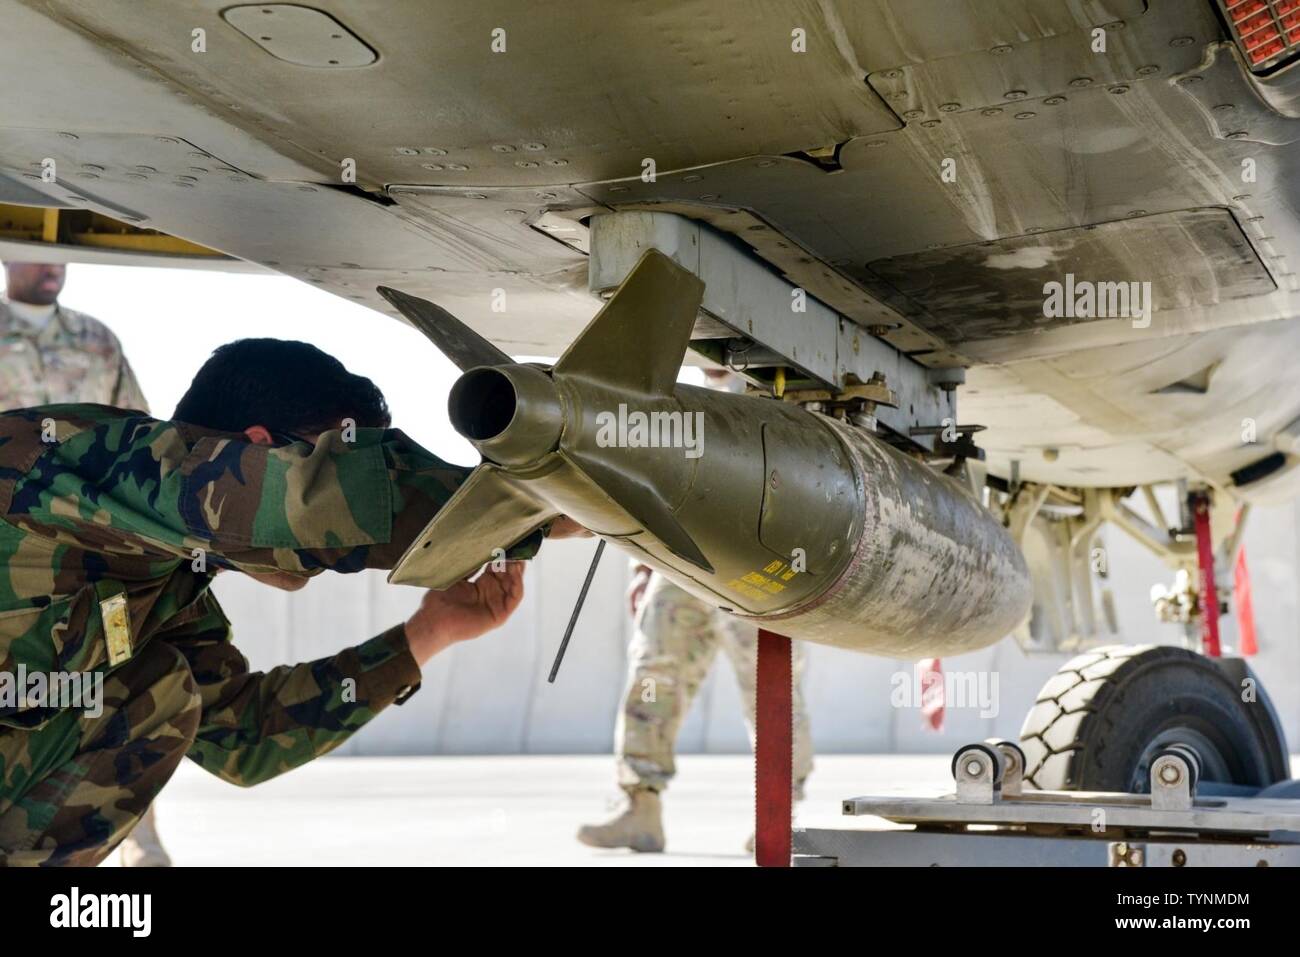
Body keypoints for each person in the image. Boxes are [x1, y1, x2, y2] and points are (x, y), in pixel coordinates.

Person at [0, 337, 580, 866]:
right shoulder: (70, 459)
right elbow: (307, 504)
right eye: (332, 458)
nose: (338, 485)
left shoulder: (164, 581)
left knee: (157, 692)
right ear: (258, 450)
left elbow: (243, 738)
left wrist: (429, 633)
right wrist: (537, 504)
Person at [577, 369, 814, 854]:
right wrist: (643, 565)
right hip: (684, 557)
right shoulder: (681, 398)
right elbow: (655, 478)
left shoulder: (784, 377)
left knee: (769, 681)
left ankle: (778, 811)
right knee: (654, 668)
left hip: (758, 552)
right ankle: (641, 806)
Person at [0, 260, 167, 866]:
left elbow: (139, 431)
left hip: (97, 557)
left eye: (59, 254)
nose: (51, 265)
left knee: (118, 672)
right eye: (37, 249)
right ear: (10, 253)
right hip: (11, 559)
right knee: (21, 689)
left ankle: (139, 842)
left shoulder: (97, 340)